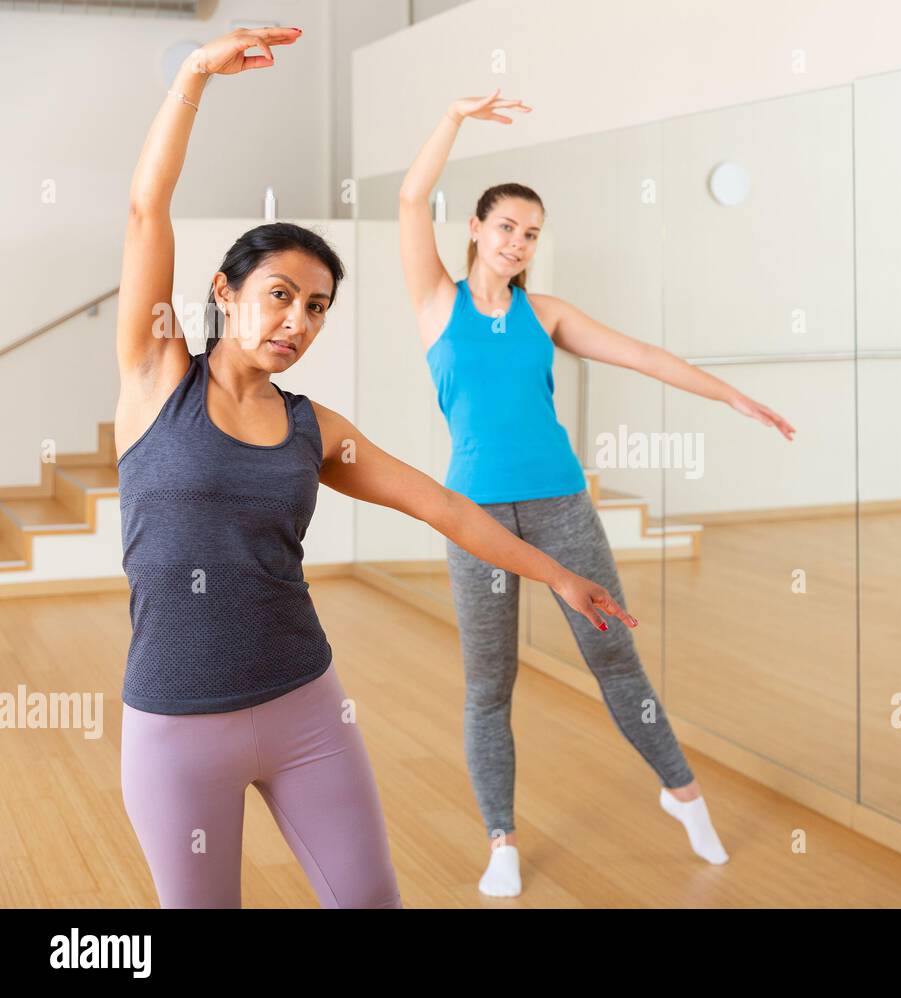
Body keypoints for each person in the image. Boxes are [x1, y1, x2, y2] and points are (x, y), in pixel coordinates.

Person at [115, 29, 633, 907]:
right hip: (175, 723)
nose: (298, 321)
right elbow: (144, 211)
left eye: (316, 307)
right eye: (280, 293)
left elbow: (444, 506)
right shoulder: (156, 379)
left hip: (307, 709)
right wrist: (196, 75)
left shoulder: (315, 429)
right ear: (224, 290)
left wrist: (562, 577)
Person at [398, 90, 798, 896]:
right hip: (473, 516)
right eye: (506, 227)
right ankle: (502, 840)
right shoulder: (437, 304)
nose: (518, 243)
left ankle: (681, 790)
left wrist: (729, 396)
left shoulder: (545, 315)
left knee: (616, 655)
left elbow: (644, 356)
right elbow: (410, 198)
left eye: (532, 234)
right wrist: (453, 117)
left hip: (563, 507)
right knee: (489, 683)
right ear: (475, 229)